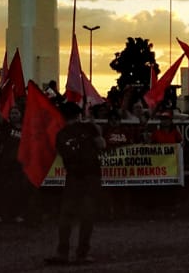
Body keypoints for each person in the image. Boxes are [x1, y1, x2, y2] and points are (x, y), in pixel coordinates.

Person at [48, 101, 105, 265]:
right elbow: (101, 145)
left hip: (73, 176)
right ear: (79, 114)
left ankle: (62, 252)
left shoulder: (61, 134)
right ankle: (82, 253)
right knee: (87, 216)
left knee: (66, 215)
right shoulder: (89, 128)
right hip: (91, 176)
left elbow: (60, 153)